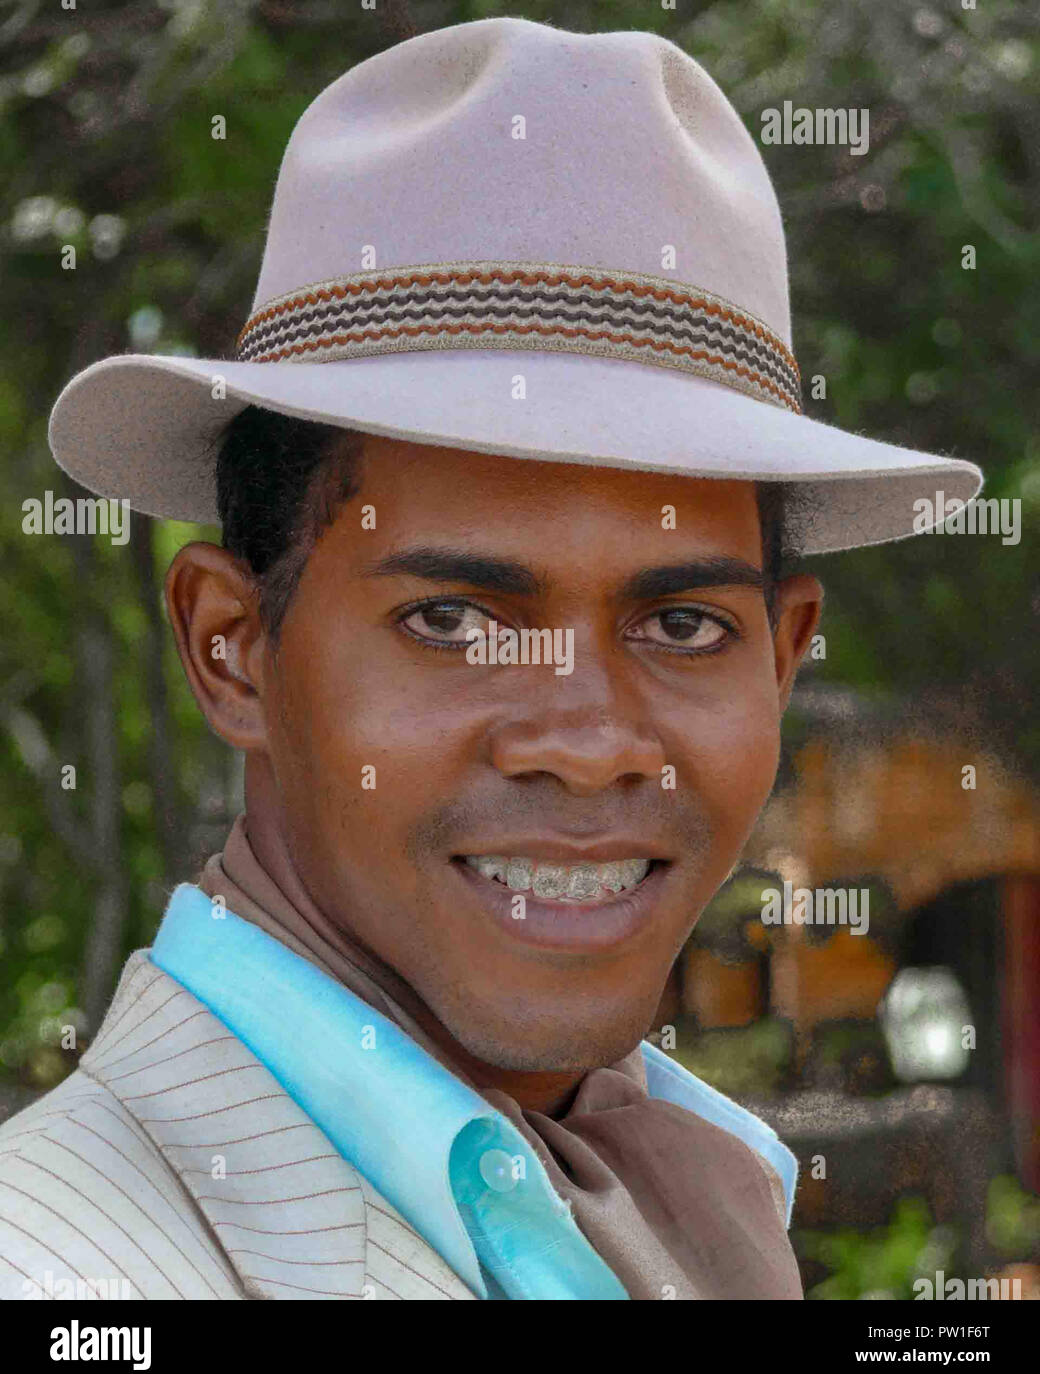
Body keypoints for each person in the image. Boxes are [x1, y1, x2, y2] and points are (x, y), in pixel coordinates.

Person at [0, 16, 981, 1300]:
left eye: (682, 624)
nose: (584, 744)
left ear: (783, 659)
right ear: (232, 650)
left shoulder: (682, 1203)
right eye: (452, 623)